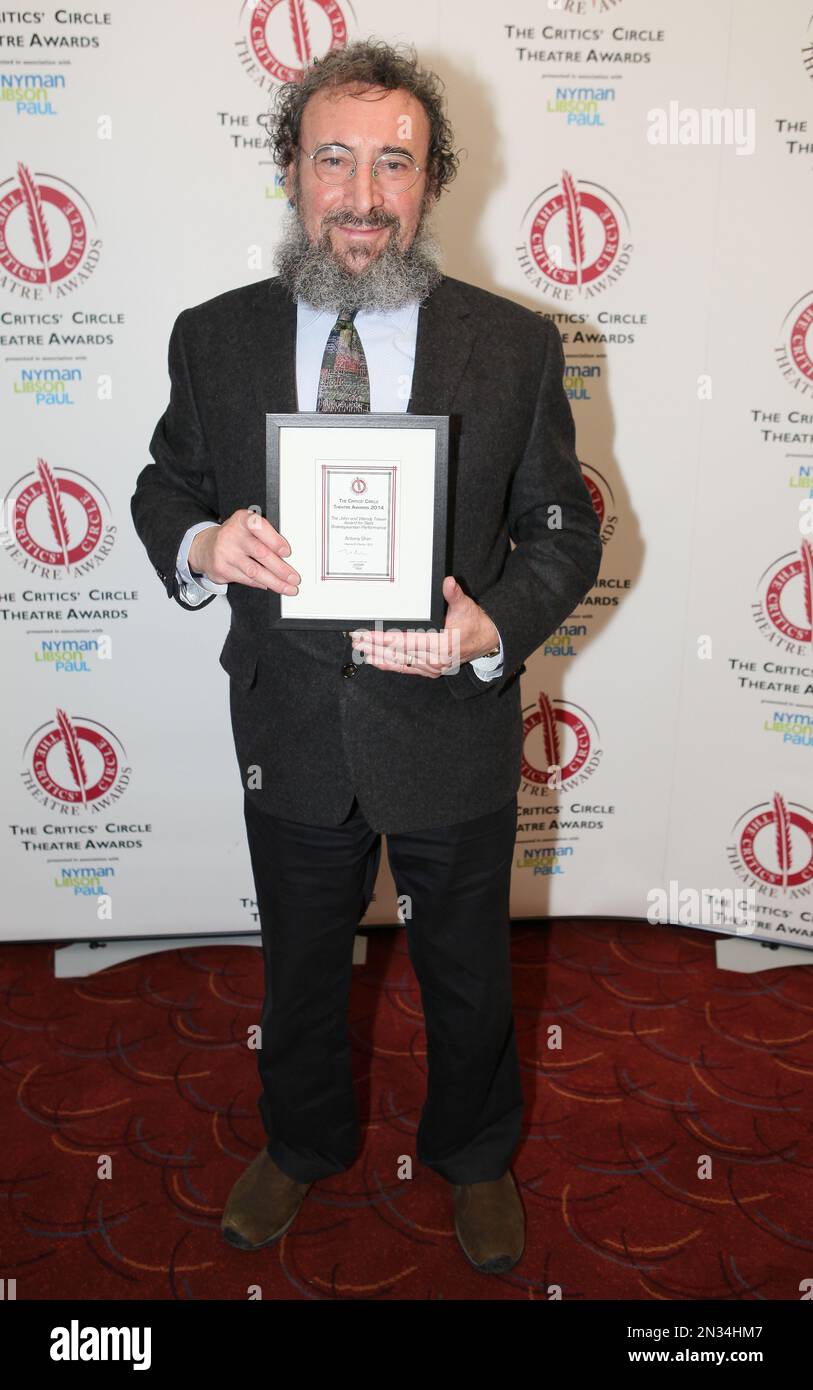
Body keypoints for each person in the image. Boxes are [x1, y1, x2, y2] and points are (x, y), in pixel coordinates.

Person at [130, 38, 602, 1277]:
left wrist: (492, 623)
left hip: (450, 717)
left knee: (467, 971)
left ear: (433, 179)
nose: (361, 193)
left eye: (394, 162)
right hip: (288, 720)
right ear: (291, 170)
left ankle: (476, 1154)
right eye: (333, 158)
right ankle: (300, 1141)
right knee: (297, 965)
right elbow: (163, 485)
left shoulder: (511, 344)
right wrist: (202, 537)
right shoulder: (214, 337)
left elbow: (566, 522)